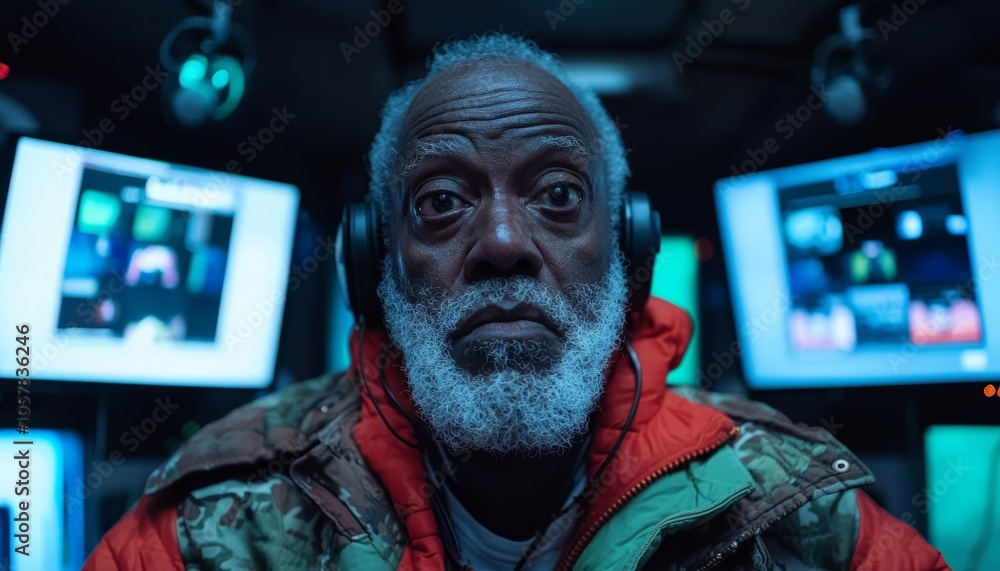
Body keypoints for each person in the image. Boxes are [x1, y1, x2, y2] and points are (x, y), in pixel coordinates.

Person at [84, 33, 950, 570]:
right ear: (374, 266)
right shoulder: (204, 532)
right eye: (442, 201)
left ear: (631, 257)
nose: (502, 242)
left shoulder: (801, 511)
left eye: (559, 195)